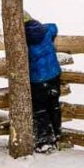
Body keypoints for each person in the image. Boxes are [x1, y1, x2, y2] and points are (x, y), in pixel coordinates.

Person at [24, 14, 62, 153]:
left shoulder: (22, 38)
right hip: (54, 75)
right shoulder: (46, 31)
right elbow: (54, 26)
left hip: (38, 80)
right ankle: (57, 134)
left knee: (40, 110)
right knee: (54, 105)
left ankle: (44, 141)